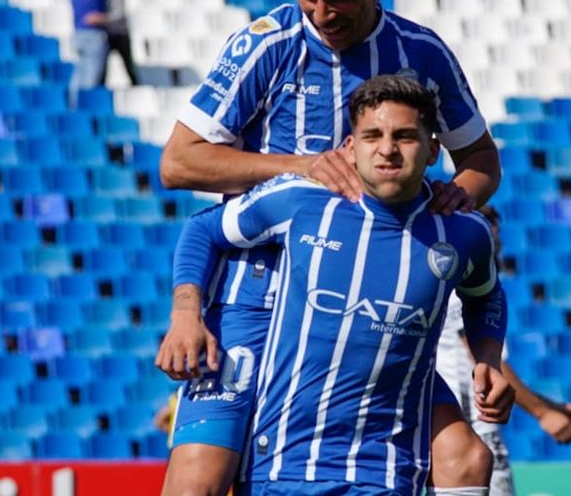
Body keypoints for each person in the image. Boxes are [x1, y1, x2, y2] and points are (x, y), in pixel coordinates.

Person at [155, 0, 503, 496]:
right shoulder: (266, 45)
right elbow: (179, 162)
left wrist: (454, 200)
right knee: (198, 481)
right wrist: (302, 168)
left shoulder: (422, 54)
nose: (321, 11)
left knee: (464, 460)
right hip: (253, 305)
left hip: (363, 315)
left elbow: (479, 161)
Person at [160, 75, 513, 495]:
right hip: (284, 464)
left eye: (404, 136)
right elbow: (204, 230)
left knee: (470, 457)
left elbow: (485, 293)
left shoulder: (462, 232)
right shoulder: (303, 201)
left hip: (385, 467)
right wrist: (186, 313)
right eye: (372, 136)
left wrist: (488, 358)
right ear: (350, 146)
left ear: (434, 148)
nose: (387, 149)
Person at [435, 205, 571, 496]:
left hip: (460, 418)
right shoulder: (460, 281)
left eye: (495, 224)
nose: (495, 232)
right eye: (485, 221)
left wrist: (550, 406)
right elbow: (483, 363)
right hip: (469, 420)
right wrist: (543, 413)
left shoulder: (471, 279)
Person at [67, 0, 118, 105]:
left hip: (78, 35)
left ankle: (74, 106)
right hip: (93, 35)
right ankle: (85, 110)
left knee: (79, 75)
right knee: (91, 79)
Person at [101, 0, 140, 86]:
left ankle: (136, 88)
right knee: (100, 69)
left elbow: (118, 14)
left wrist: (100, 19)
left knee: (129, 67)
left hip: (120, 33)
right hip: (104, 34)